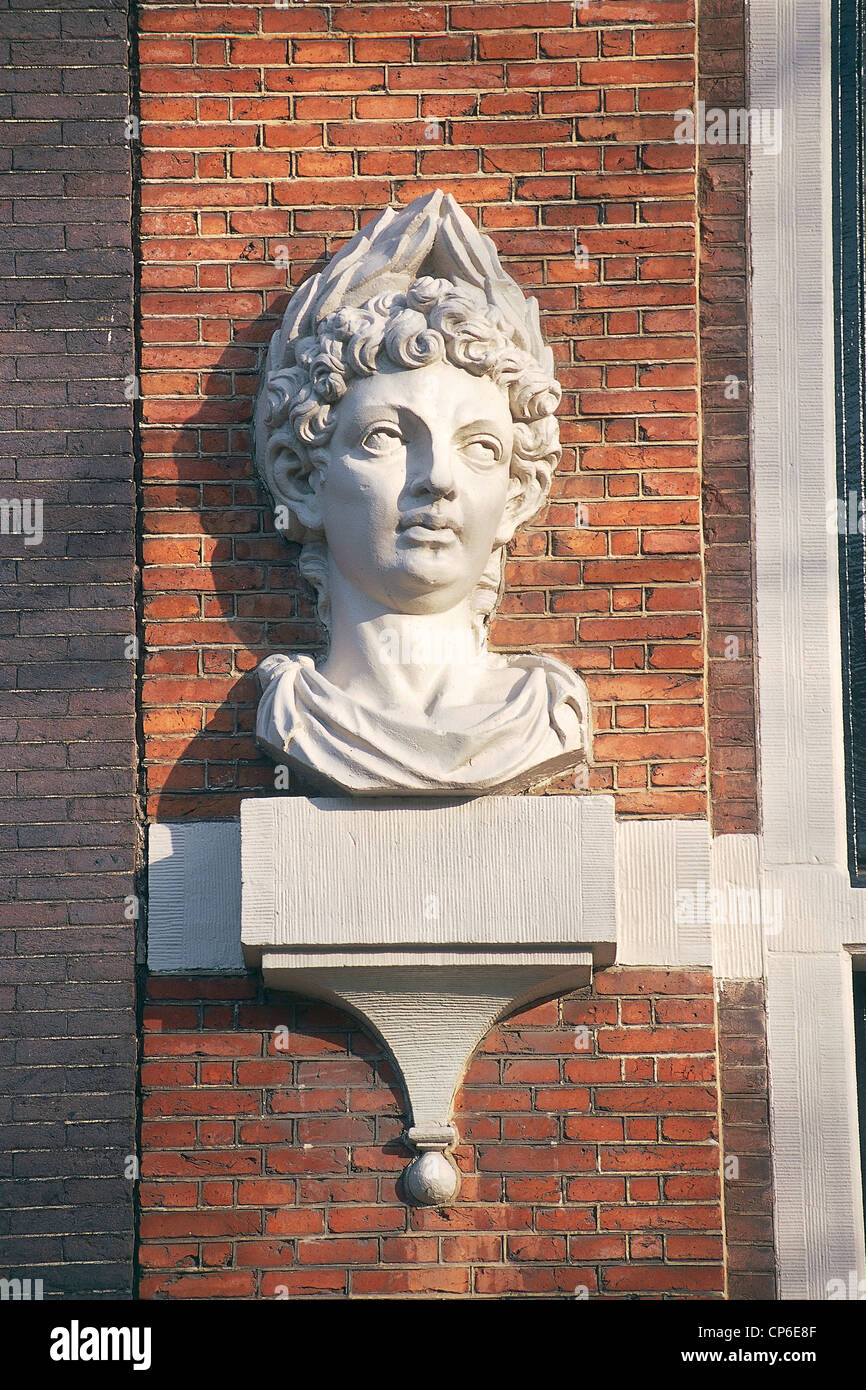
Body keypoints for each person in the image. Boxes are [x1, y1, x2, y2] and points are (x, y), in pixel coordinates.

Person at [252, 189, 592, 795]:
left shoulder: (543, 716)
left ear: (519, 494)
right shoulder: (299, 720)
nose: (436, 477)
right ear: (302, 479)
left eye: (480, 448)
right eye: (387, 437)